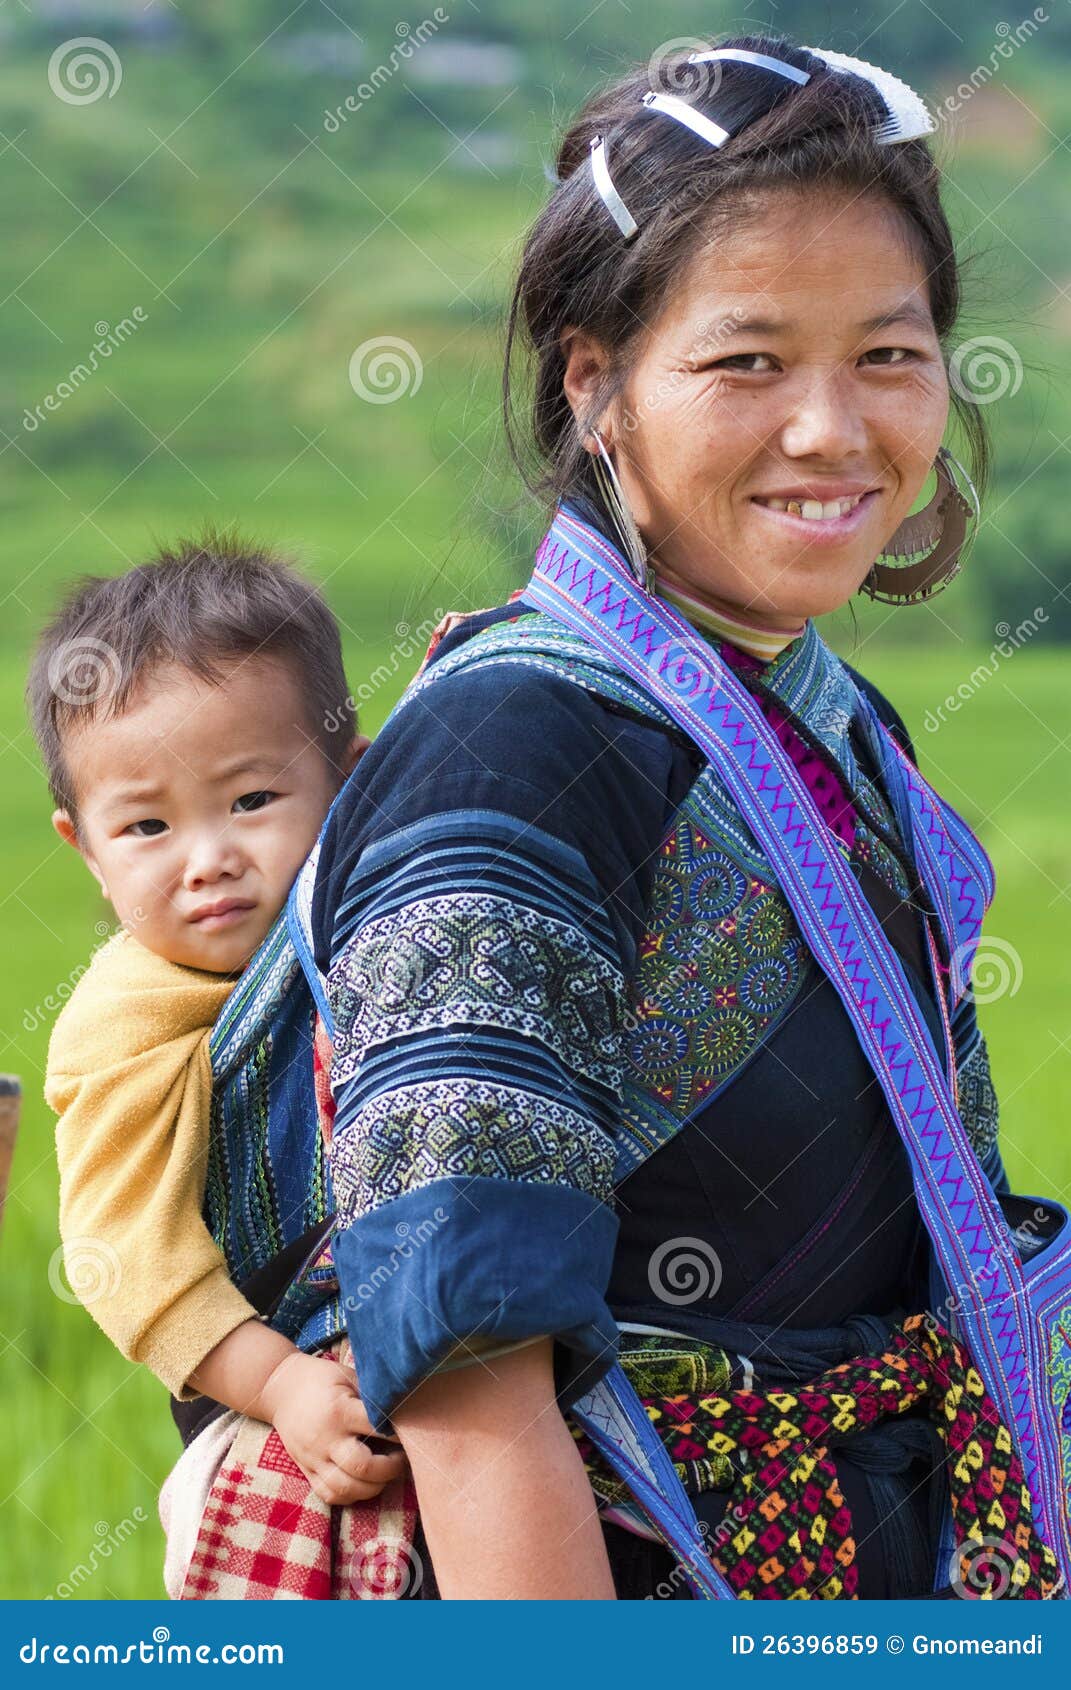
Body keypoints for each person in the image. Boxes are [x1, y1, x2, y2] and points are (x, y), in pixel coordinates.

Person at [305, 37, 1066, 1599]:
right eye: (745, 362)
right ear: (596, 383)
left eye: (885, 353)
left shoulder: (827, 714)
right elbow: (469, 1354)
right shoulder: (509, 753)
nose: (829, 429)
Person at [30, 536, 410, 1595]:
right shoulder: (126, 1019)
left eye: (251, 801)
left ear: (352, 776)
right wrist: (279, 1384)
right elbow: (126, 1256)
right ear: (86, 849)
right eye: (146, 826)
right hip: (250, 1407)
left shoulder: (383, 937)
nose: (208, 860)